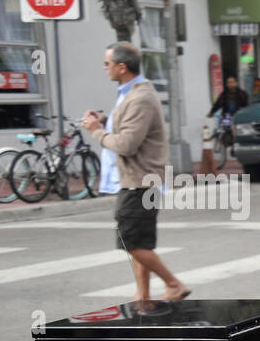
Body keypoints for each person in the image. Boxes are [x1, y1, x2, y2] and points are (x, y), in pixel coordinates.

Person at [81, 42, 189, 303]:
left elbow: (127, 144)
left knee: (130, 241)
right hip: (137, 179)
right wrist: (107, 121)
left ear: (122, 67)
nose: (104, 68)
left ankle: (174, 284)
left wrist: (96, 130)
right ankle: (143, 295)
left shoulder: (140, 97)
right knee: (140, 241)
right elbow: (128, 125)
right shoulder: (130, 92)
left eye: (107, 64)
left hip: (140, 180)